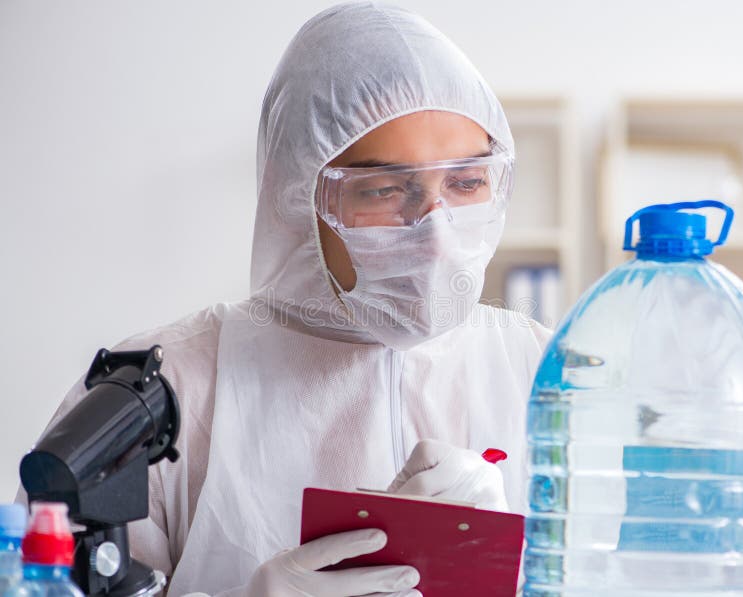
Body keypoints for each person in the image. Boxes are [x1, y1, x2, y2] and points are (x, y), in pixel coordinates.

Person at [21, 2, 551, 595]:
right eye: (383, 189)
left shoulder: (540, 370)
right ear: (298, 198)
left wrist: (533, 565)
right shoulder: (162, 392)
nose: (435, 233)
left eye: (467, 182)